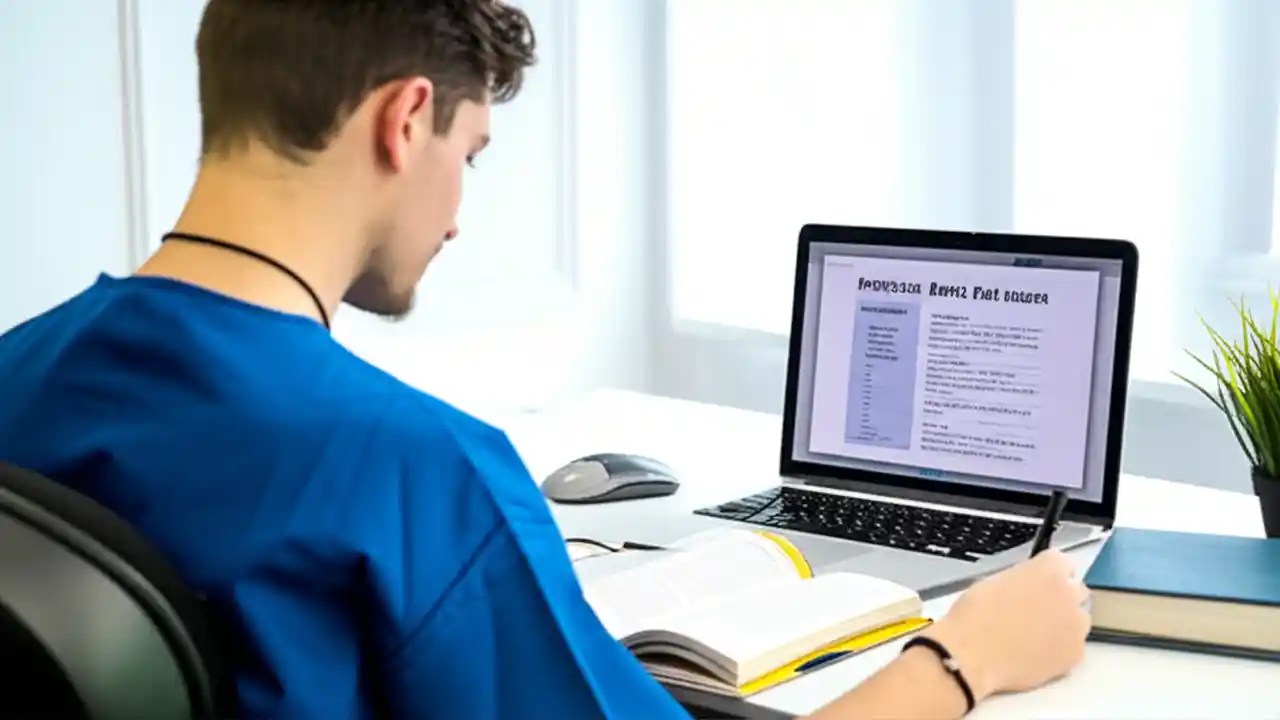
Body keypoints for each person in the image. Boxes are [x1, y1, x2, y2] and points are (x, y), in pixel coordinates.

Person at [0, 1, 1089, 718]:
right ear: (404, 118)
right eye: (469, 155)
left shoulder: (17, 371)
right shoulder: (413, 467)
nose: (458, 217)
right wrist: (962, 659)